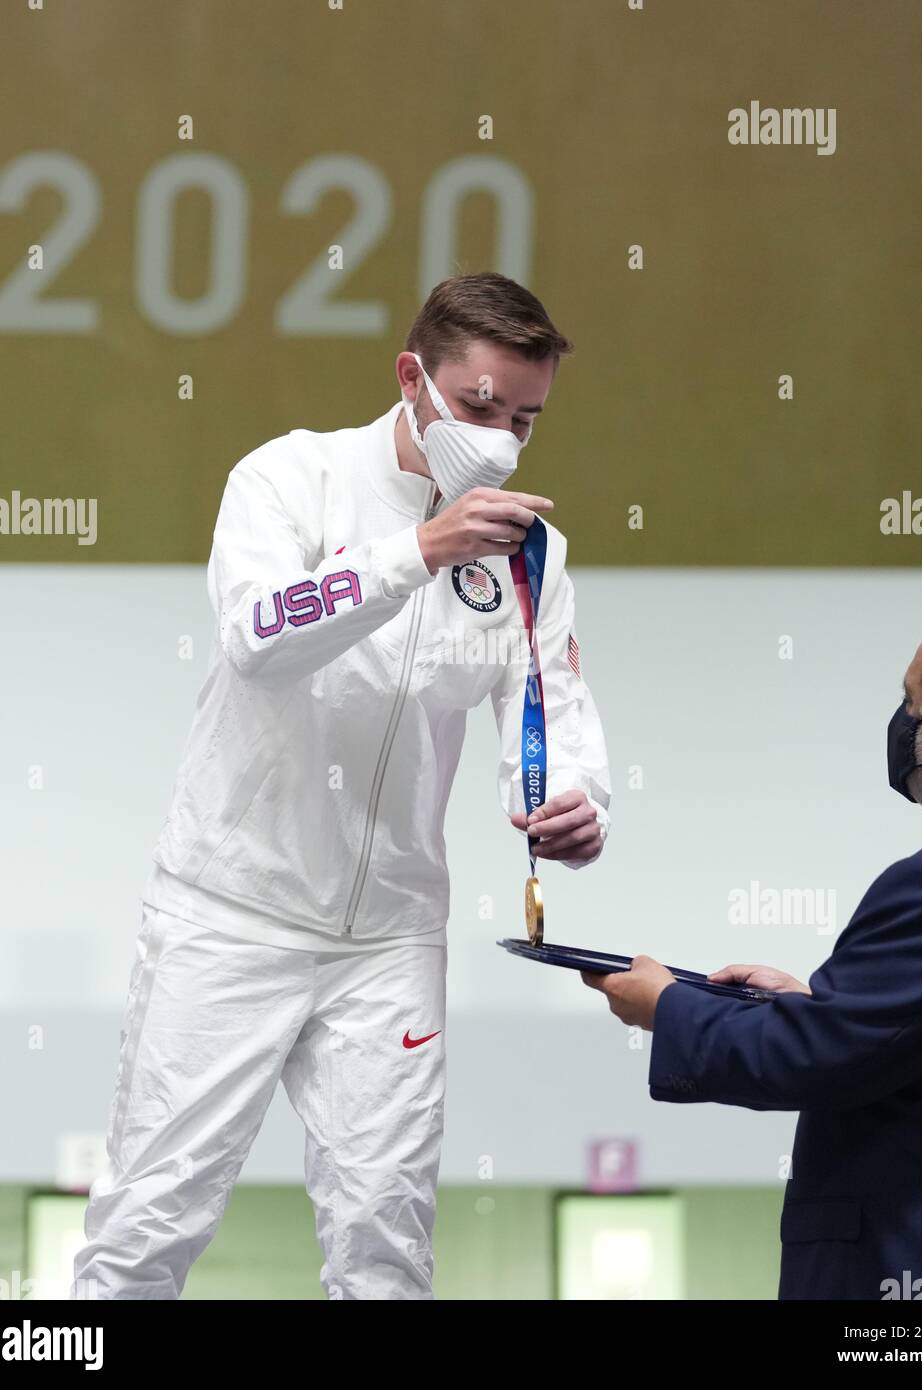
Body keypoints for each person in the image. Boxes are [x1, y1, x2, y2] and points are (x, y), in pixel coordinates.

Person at [72, 272, 611, 1300]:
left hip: (391, 941)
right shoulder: (288, 480)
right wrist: (415, 551)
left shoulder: (530, 555)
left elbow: (549, 708)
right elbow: (257, 638)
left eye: (526, 420)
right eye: (479, 406)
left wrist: (575, 801)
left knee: (385, 1247)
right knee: (145, 1227)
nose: (498, 438)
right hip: (229, 912)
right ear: (411, 377)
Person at [583, 599, 922, 1300]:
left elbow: (820, 1059)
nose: (899, 723)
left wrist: (666, 1007)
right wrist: (818, 1006)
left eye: (909, 703)